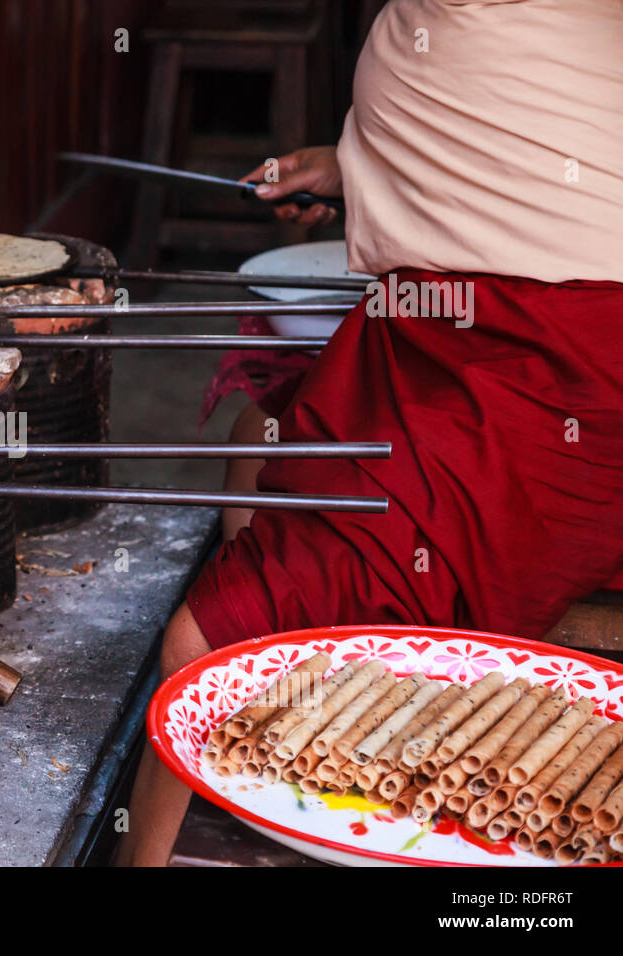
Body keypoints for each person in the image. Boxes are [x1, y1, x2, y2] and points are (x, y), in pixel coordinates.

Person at [115, 0, 623, 866]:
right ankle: (296, 761)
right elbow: (508, 81)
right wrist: (362, 166)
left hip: (546, 356)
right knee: (257, 438)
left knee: (200, 649)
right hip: (443, 322)